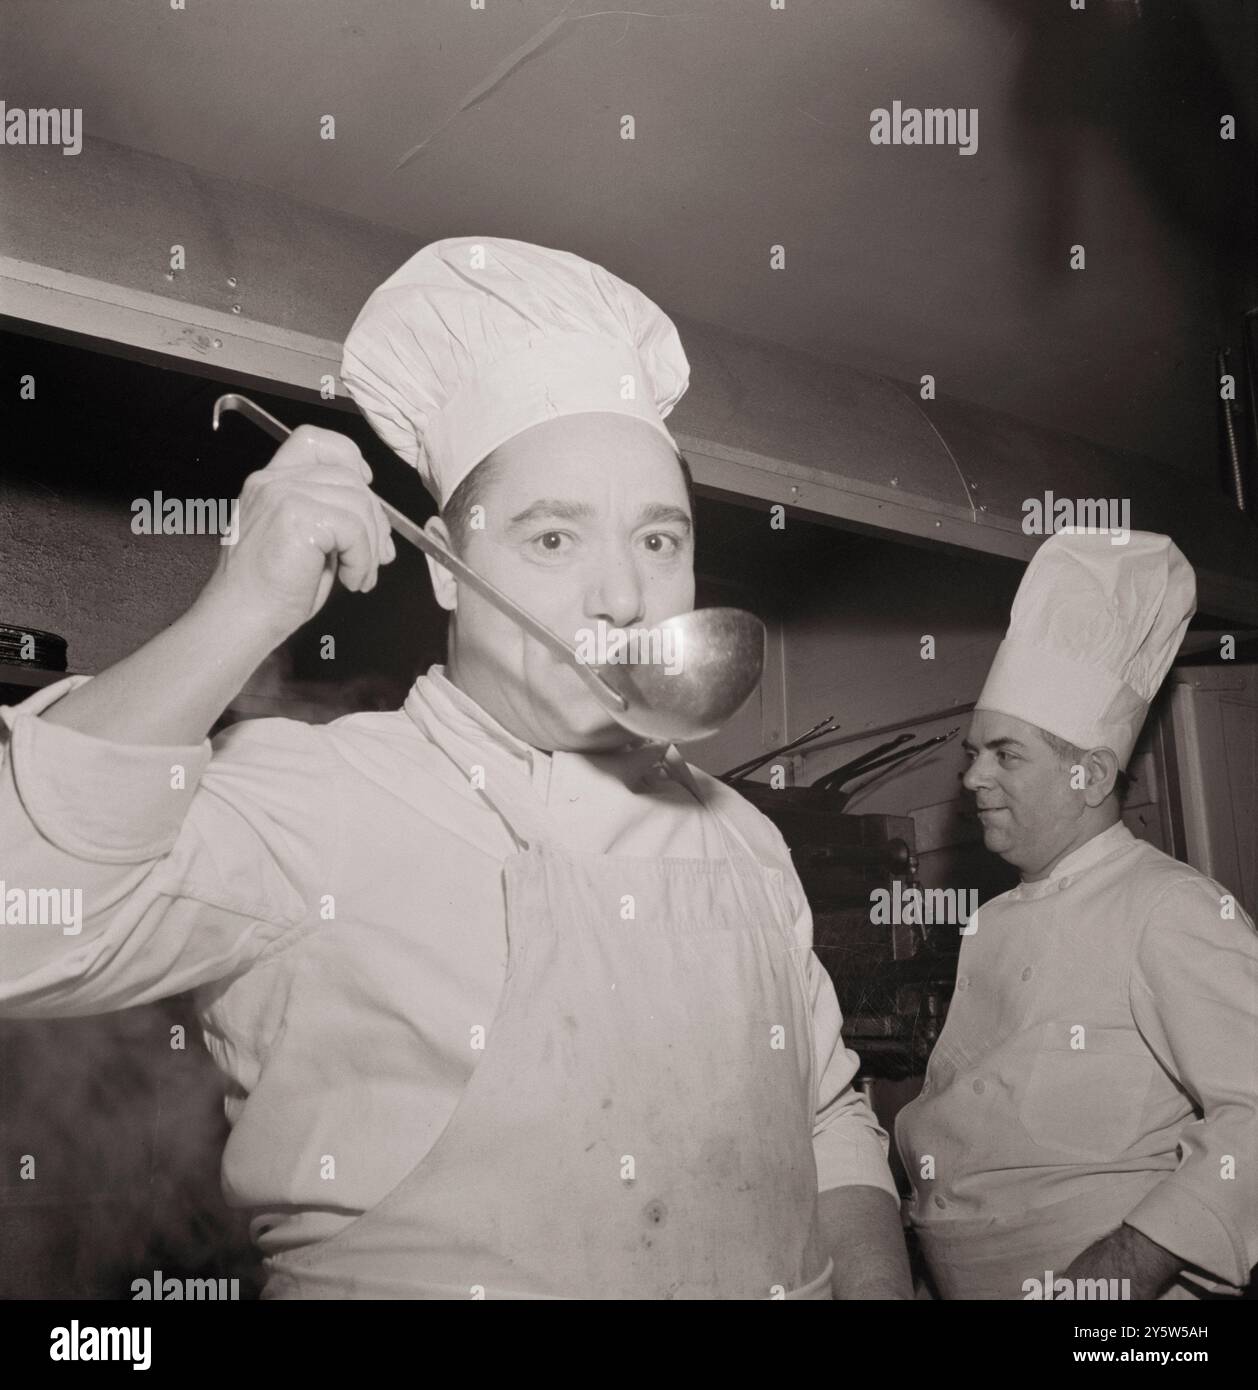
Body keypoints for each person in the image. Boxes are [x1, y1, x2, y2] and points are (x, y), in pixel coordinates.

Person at [0, 236, 910, 1300]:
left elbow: (822, 1110)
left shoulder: (740, 837)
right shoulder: (318, 797)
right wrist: (244, 605)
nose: (622, 594)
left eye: (658, 541)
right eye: (554, 540)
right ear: (444, 565)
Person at [896, 530, 1258, 1300]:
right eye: (972, 753)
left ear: (1089, 774)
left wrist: (1123, 1268)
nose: (973, 778)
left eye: (1004, 753)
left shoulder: (1171, 907)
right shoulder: (992, 920)